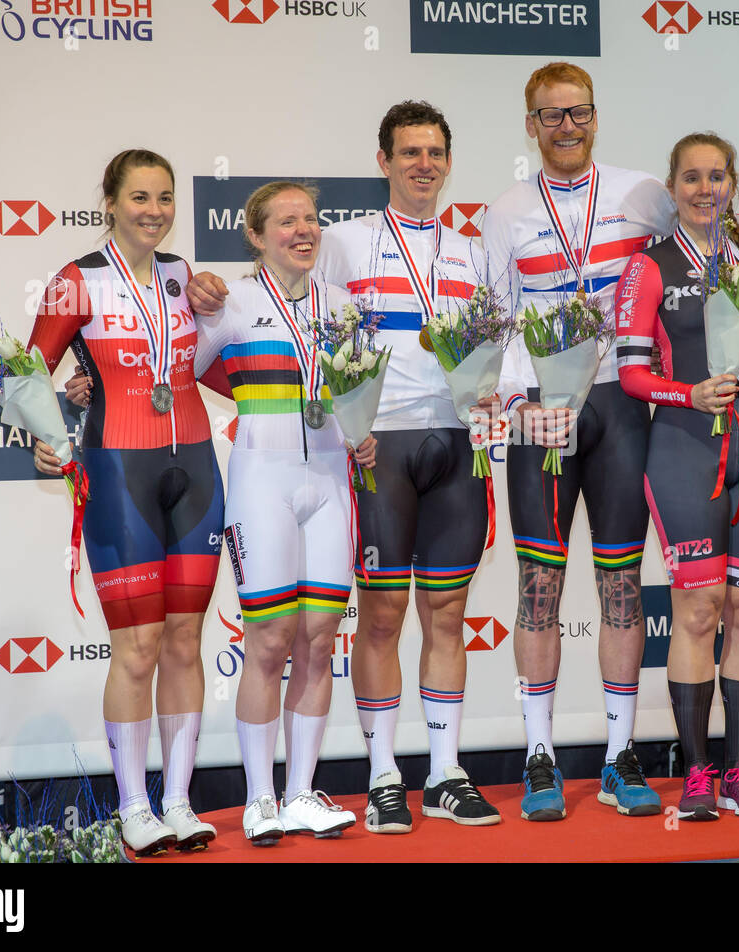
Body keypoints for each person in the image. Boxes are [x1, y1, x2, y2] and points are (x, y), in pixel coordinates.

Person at [482, 62, 739, 821]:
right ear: (530, 123)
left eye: (578, 114)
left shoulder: (641, 192)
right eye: (551, 116)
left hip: (629, 419)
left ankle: (620, 755)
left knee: (625, 588)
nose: (566, 127)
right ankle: (539, 754)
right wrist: (514, 399)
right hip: (546, 412)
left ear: (596, 118)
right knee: (539, 588)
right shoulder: (503, 212)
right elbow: (495, 314)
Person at [187, 102, 503, 833]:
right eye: (408, 151)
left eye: (435, 152)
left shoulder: (473, 250)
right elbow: (246, 344)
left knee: (442, 615)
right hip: (374, 447)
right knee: (374, 618)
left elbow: (495, 337)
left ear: (449, 162)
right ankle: (382, 774)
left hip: (448, 441)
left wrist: (499, 390)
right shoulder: (343, 248)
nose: (423, 163)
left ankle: (447, 772)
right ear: (384, 161)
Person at [31, 149, 223, 855]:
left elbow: (222, 370)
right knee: (137, 648)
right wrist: (45, 439)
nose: (154, 210)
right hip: (118, 474)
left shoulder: (184, 279)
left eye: (165, 197)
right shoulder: (75, 282)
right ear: (109, 202)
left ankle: (178, 801)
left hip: (197, 473)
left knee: (182, 642)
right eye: (139, 197)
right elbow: (26, 374)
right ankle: (134, 807)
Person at [615, 133, 739, 821]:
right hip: (686, 445)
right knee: (697, 608)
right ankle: (696, 773)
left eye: (717, 176)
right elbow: (632, 374)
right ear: (673, 187)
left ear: (732, 184)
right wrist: (687, 395)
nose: (705, 188)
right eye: (691, 177)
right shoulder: (649, 267)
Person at [192, 181, 375, 844]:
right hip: (261, 484)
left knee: (320, 641)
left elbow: (356, 396)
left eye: (311, 220)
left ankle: (301, 793)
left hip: (329, 485)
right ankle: (259, 799)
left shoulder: (344, 307)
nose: (304, 230)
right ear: (257, 234)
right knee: (268, 643)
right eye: (287, 221)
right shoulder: (231, 303)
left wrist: (364, 429)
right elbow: (172, 371)